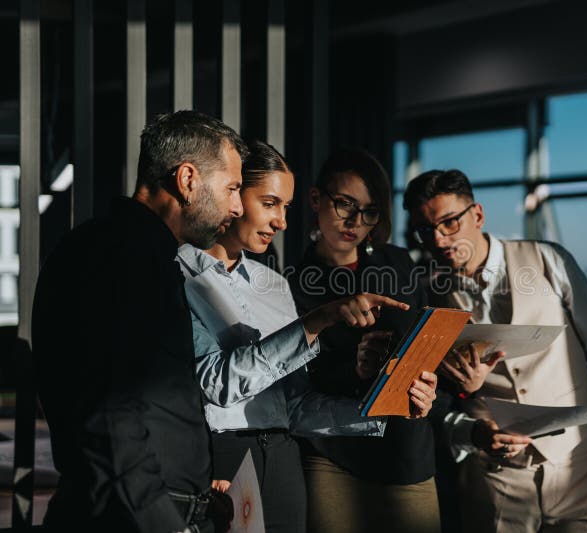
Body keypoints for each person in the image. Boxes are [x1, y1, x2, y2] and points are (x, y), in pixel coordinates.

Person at [177, 141, 435, 532]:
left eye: (285, 207)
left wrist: (387, 407)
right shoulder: (180, 273)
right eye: (269, 203)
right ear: (232, 194)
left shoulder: (275, 285)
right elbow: (217, 383)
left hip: (283, 461)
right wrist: (316, 322)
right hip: (220, 456)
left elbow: (296, 405)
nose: (281, 221)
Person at [32, 110, 246, 533]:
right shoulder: (116, 258)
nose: (238, 207)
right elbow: (110, 414)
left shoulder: (140, 255)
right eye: (233, 188)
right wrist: (164, 523)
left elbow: (153, 403)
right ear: (187, 180)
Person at [403, 169, 587, 533]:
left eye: (450, 222)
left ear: (477, 215)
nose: (438, 238)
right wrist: (471, 420)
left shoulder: (549, 260)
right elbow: (435, 398)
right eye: (425, 230)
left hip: (581, 467)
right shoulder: (428, 296)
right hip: (495, 481)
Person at [287, 148, 441, 533]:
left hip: (405, 448)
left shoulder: (400, 264)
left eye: (369, 211)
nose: (356, 222)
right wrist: (354, 370)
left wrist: (432, 386)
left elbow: (427, 347)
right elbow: (295, 381)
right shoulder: (290, 285)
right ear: (315, 199)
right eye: (345, 205)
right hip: (333, 452)